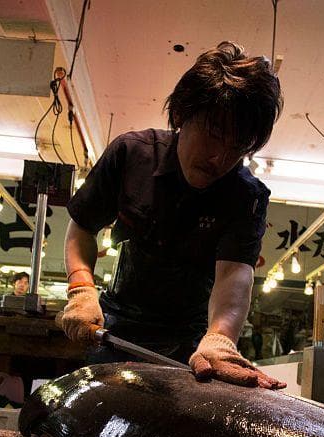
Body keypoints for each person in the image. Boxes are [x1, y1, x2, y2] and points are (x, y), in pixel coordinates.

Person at [59, 41, 285, 389]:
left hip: (192, 344)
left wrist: (220, 339)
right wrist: (81, 288)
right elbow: (82, 228)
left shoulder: (247, 196)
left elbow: (234, 278)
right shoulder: (131, 154)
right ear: (181, 113)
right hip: (115, 326)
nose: (220, 158)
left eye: (237, 147)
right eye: (214, 135)